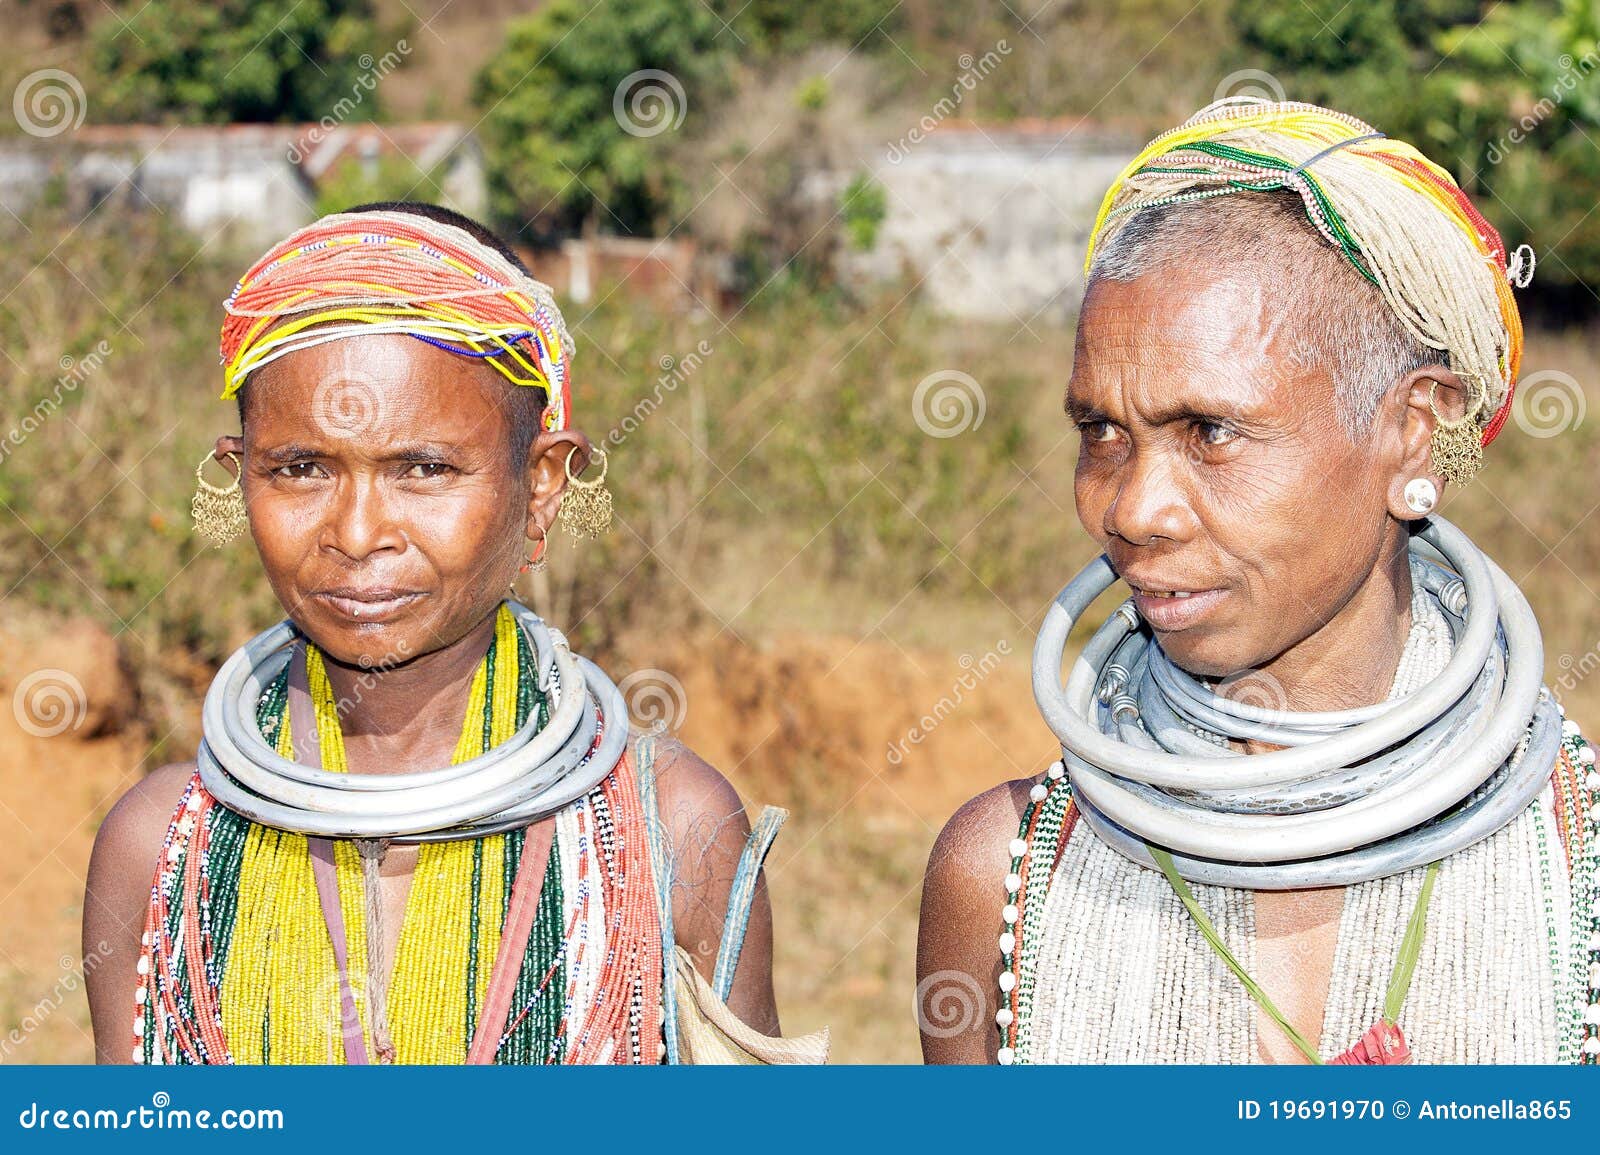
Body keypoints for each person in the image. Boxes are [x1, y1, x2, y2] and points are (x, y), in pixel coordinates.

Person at [918, 99, 1597, 1065]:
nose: (1134, 509)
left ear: (1412, 430)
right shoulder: (1004, 877)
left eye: (1211, 431)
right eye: (1102, 432)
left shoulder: (1575, 858)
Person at [82, 202, 823, 1065]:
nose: (358, 532)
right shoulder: (162, 846)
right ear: (239, 472)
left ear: (542, 483)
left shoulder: (670, 831)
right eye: (301, 468)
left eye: (425, 468)